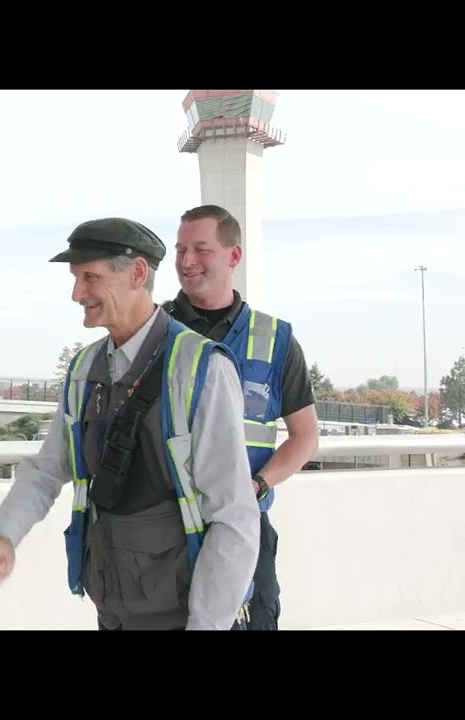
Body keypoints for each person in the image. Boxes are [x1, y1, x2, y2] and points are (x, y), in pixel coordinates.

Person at [0, 217, 261, 631]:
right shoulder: (84, 369)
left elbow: (234, 515)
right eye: (75, 279)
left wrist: (206, 625)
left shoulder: (201, 368)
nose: (77, 293)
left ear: (138, 274)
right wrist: (4, 534)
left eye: (90, 278)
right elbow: (47, 470)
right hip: (113, 614)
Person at [164, 204, 320, 630]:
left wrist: (258, 484)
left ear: (234, 255)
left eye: (201, 249)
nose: (187, 261)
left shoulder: (276, 339)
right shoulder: (153, 331)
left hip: (245, 528)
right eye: (180, 250)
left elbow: (305, 437)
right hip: (163, 532)